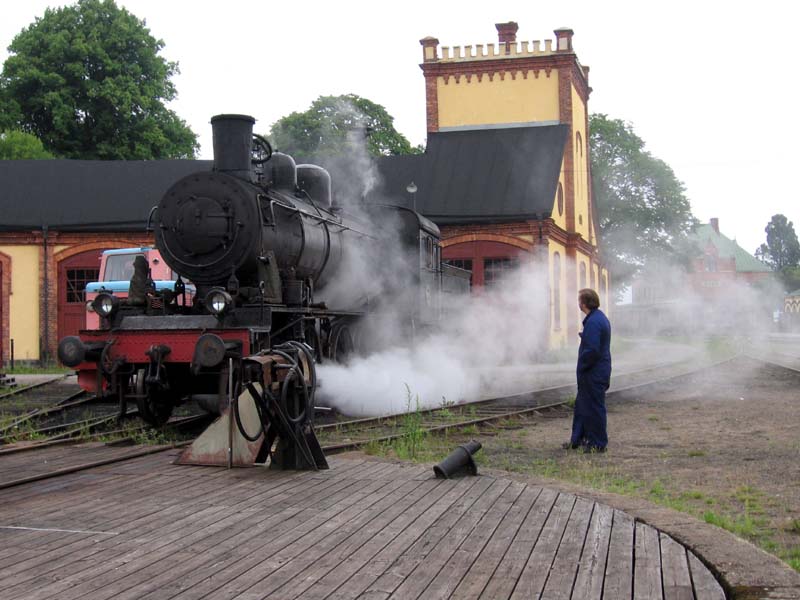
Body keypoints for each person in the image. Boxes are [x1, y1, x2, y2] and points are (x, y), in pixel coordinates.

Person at [564, 288, 612, 453]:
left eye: (579, 300)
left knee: (594, 408)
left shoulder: (593, 322)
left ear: (583, 303)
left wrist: (582, 366)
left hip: (593, 372)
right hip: (596, 370)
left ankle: (598, 443)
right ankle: (578, 439)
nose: (578, 303)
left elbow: (592, 350)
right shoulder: (598, 318)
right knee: (583, 406)